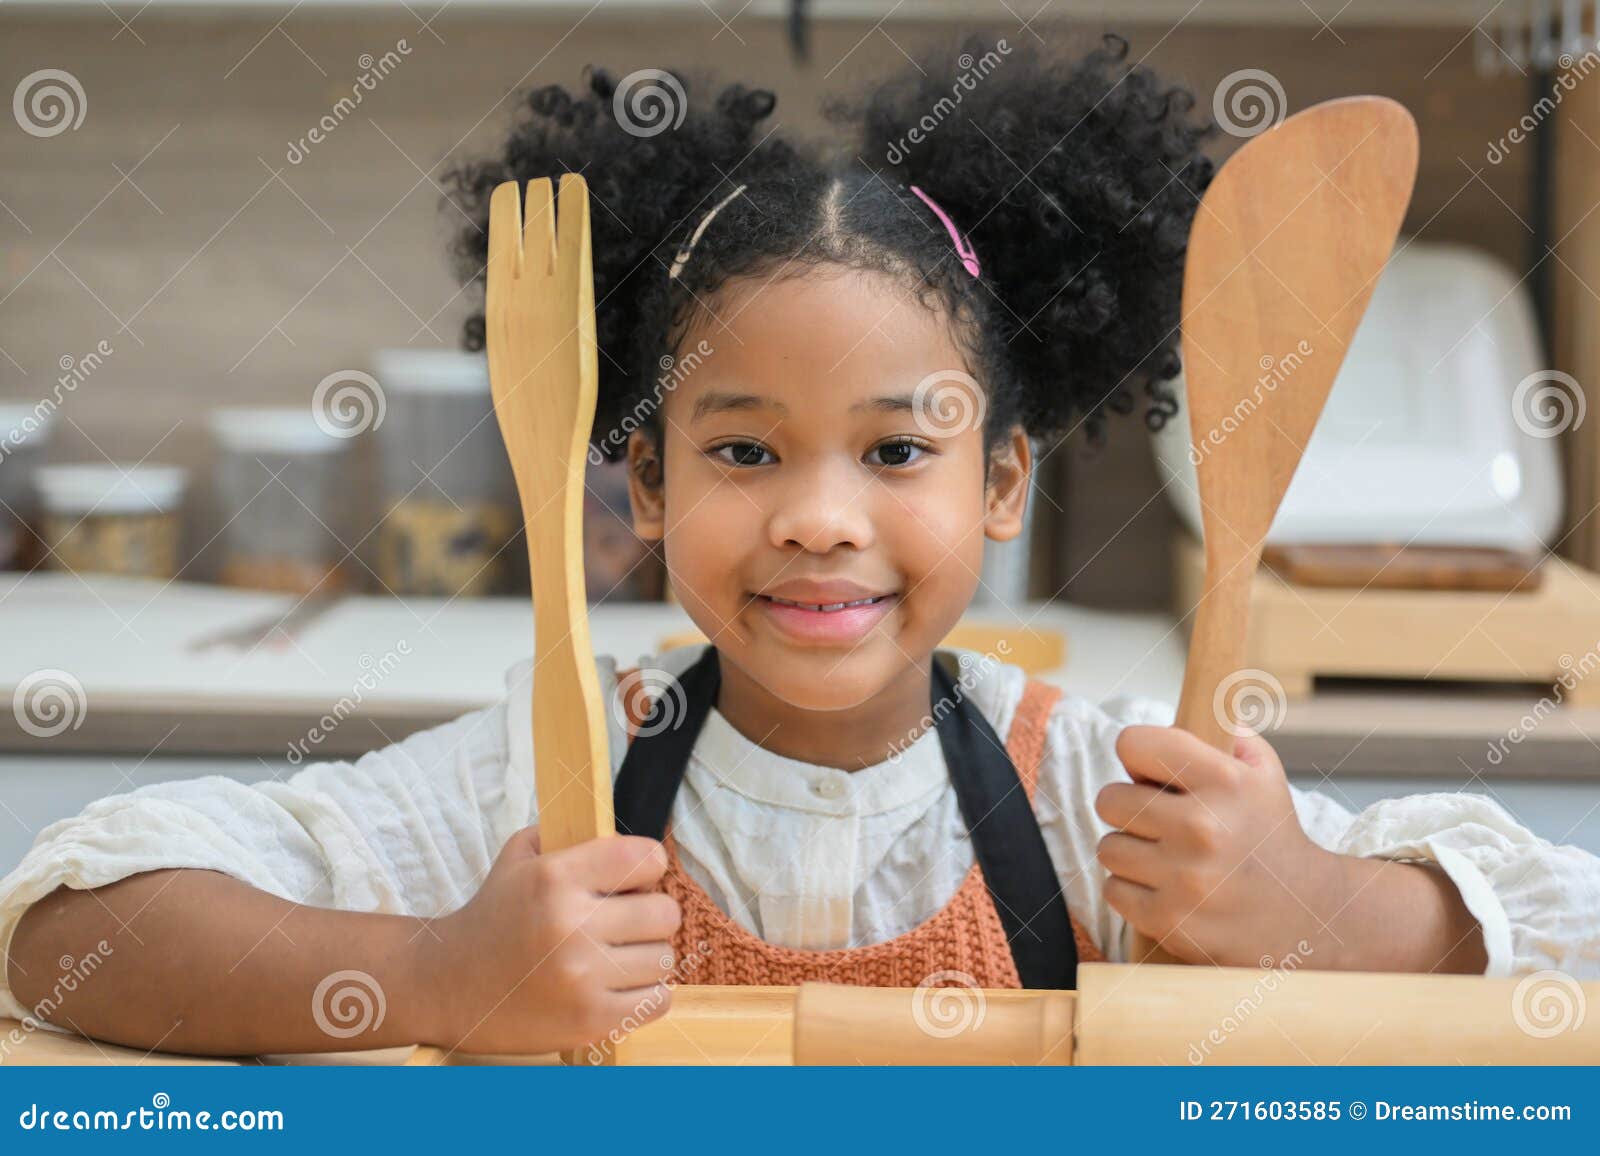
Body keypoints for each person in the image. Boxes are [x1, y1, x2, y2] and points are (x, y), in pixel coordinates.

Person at [4, 36, 1597, 1059]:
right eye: (745, 449)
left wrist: (1328, 911)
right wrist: (427, 974)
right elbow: (65, 935)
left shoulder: (1114, 800)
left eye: (899, 450)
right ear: (640, 484)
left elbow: (1570, 938)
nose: (821, 515)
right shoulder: (540, 789)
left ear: (1003, 483)